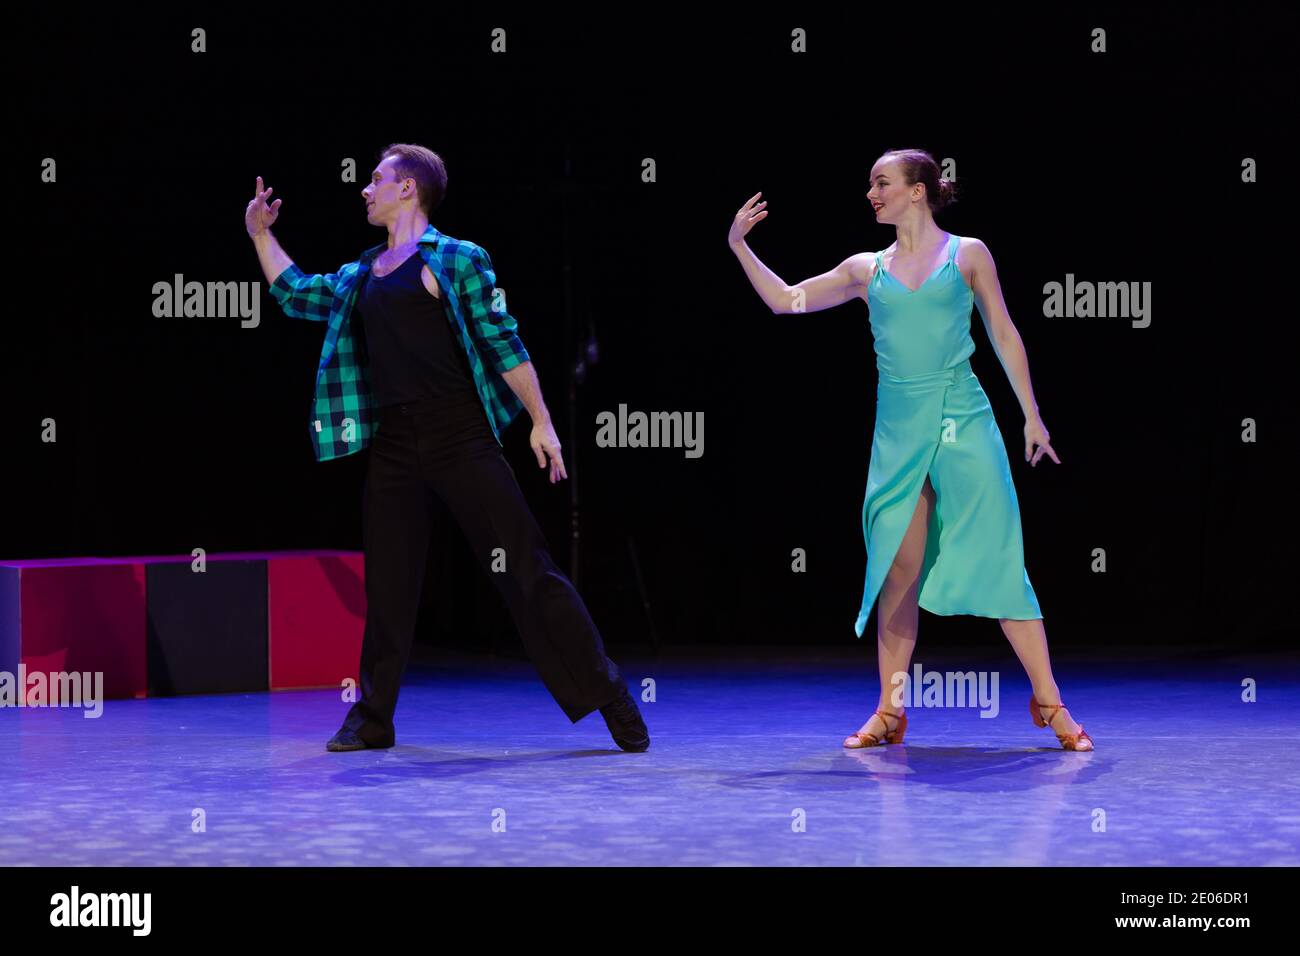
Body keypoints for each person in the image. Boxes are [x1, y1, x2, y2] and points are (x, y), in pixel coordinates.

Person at [245, 142, 648, 753]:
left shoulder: (456, 259)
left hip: (461, 435)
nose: (365, 188)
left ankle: (608, 692)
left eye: (376, 178)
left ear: (408, 188)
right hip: (395, 444)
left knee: (526, 570)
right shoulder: (361, 274)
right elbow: (297, 293)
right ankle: (372, 717)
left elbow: (504, 342)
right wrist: (260, 234)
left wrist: (541, 421)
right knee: (388, 584)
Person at [726, 148, 1092, 752]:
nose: (871, 192)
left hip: (963, 419)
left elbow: (1002, 330)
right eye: (871, 183)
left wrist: (1031, 415)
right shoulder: (865, 270)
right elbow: (784, 300)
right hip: (899, 430)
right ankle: (890, 713)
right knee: (897, 570)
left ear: (917, 191)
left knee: (1000, 558)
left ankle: (1049, 702)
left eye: (882, 182)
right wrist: (740, 246)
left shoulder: (967, 254)